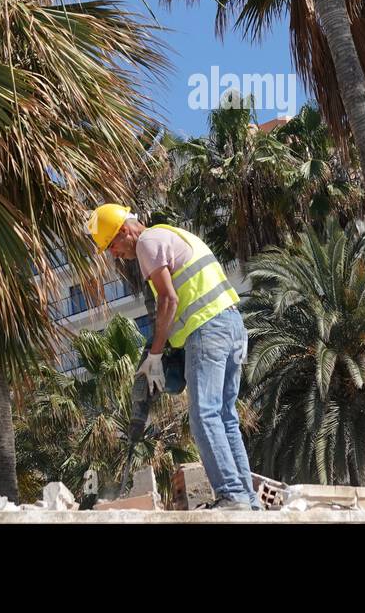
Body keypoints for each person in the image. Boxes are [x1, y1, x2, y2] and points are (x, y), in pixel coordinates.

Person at [88, 203, 258, 509]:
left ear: (126, 231)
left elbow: (169, 299)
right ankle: (247, 500)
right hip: (231, 325)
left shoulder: (147, 243)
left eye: (112, 245)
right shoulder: (172, 234)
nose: (114, 254)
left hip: (207, 328)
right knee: (225, 416)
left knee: (204, 414)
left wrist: (155, 354)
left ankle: (232, 495)